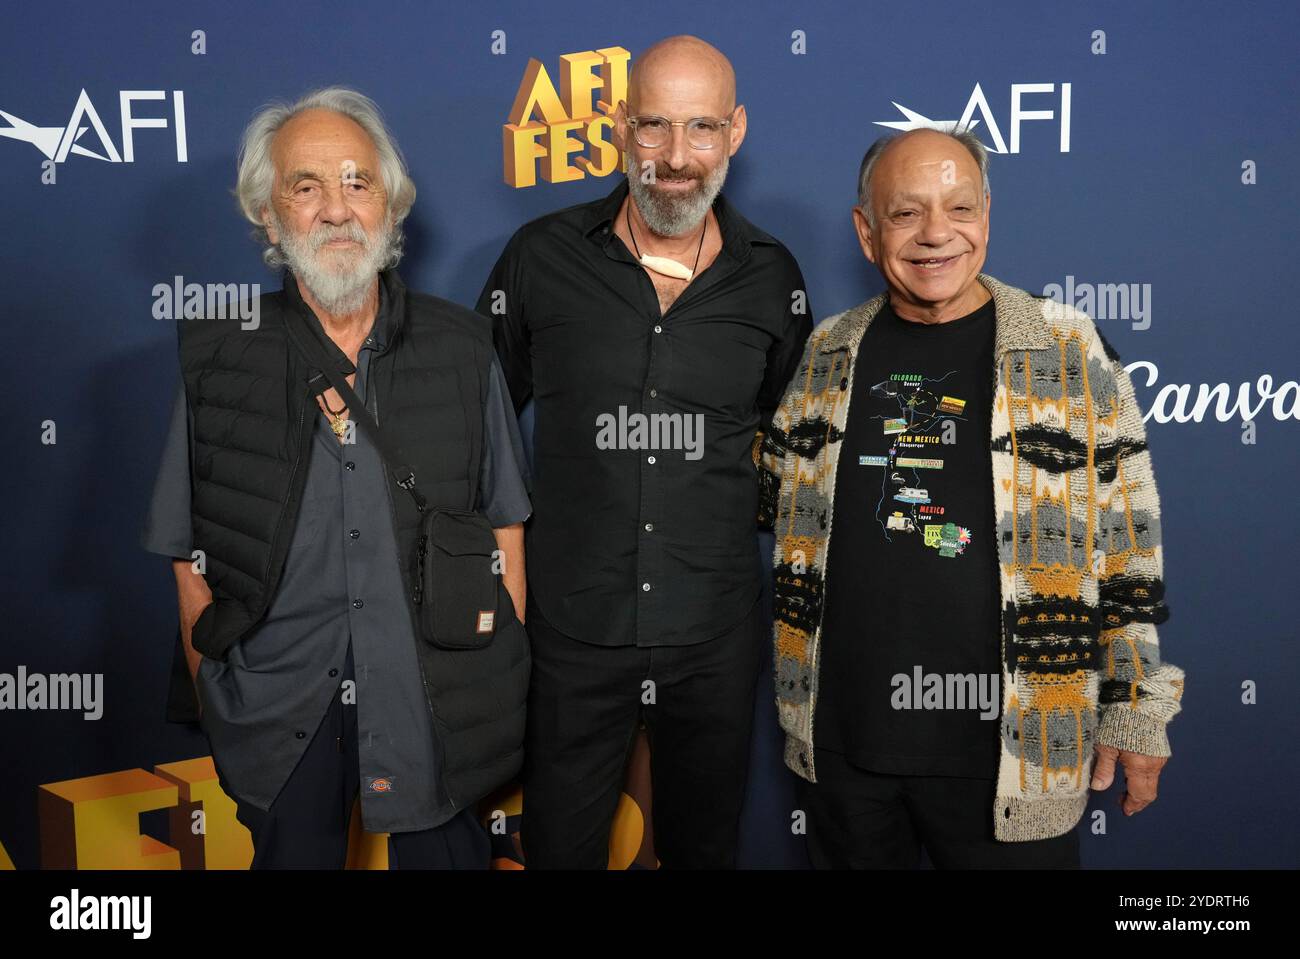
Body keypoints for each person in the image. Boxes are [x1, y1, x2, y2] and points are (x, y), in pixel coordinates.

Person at [759, 127, 1185, 868]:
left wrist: (1140, 707)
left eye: (959, 207)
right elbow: (773, 502)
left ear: (986, 214)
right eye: (905, 214)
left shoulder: (1066, 347)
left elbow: (1129, 544)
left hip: (1014, 754)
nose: (935, 234)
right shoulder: (827, 350)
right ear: (866, 231)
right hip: (844, 752)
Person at [141, 87, 532, 869]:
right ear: (268, 213)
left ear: (390, 203)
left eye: (357, 182)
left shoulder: (462, 347)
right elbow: (188, 559)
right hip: (279, 703)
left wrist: (493, 682)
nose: (336, 208)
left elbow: (505, 532)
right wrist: (226, 697)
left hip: (438, 698)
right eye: (306, 185)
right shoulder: (220, 356)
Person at [476, 35, 812, 868]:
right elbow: (474, 420)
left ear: (734, 132)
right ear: (622, 128)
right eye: (654, 126)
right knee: (559, 848)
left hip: (715, 631)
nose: (675, 157)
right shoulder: (540, 258)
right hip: (571, 627)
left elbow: (789, 434)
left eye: (701, 128)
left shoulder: (773, 277)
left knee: (703, 848)